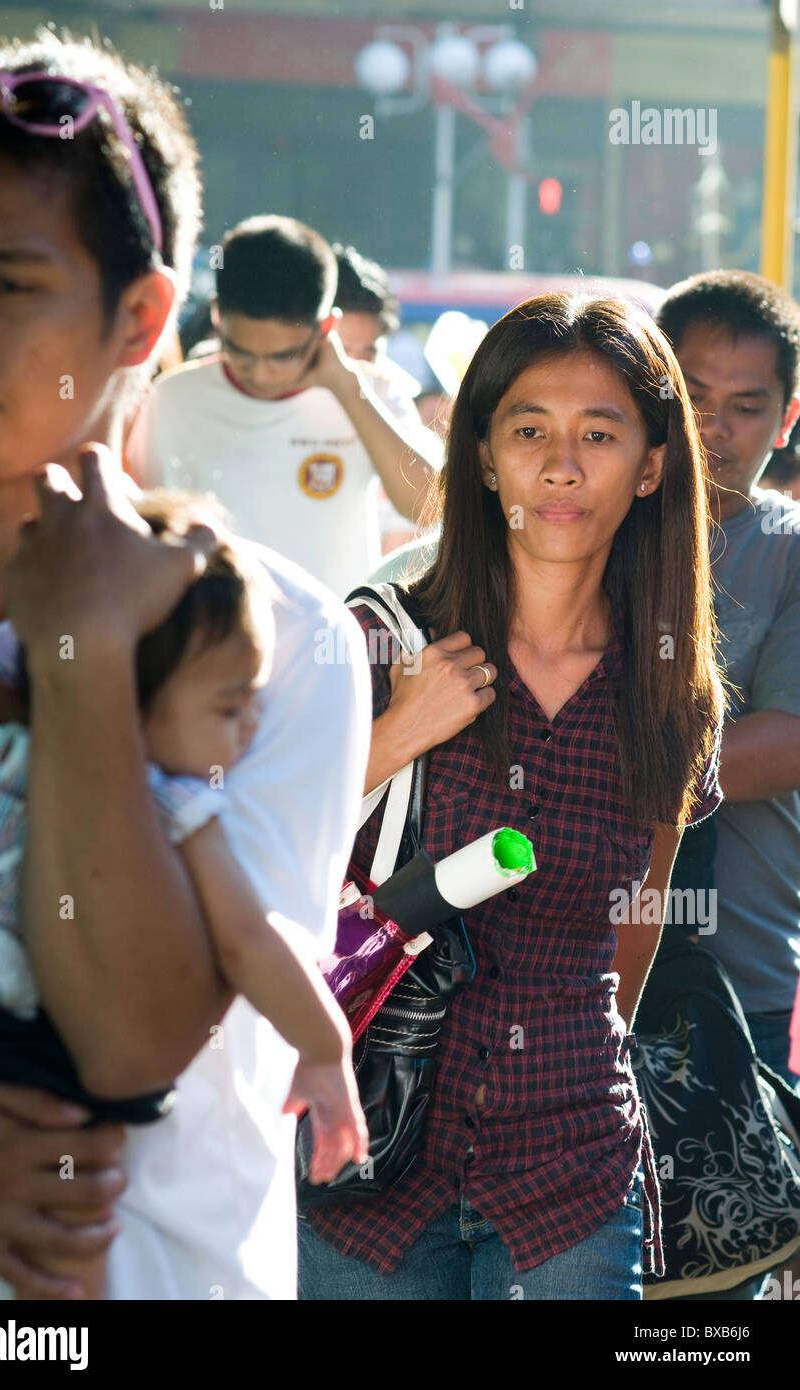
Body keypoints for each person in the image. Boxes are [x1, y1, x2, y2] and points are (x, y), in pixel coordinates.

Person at [0, 31, 369, 1300]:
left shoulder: (271, 646)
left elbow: (132, 1039)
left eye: (6, 285)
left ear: (138, 317)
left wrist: (77, 656)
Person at [298, 293, 725, 1301]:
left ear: (652, 464)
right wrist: (398, 730)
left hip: (568, 1173)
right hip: (365, 1157)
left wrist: (576, 1049)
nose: (559, 465)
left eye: (598, 434)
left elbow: (636, 921)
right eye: (527, 429)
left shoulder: (667, 685)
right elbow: (241, 839)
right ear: (483, 456)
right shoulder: (378, 641)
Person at [0, 488, 367, 1298]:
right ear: (135, 700)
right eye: (228, 707)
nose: (248, 731)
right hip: (34, 1053)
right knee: (73, 1191)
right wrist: (323, 1048)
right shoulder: (172, 804)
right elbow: (246, 941)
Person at [127, 215, 437, 596]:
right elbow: (141, 527)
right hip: (212, 645)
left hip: (336, 645)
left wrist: (345, 387)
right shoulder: (173, 398)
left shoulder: (373, 394)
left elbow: (429, 506)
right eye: (240, 352)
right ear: (217, 315)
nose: (260, 373)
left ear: (326, 328)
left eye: (282, 356)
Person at [657, 270, 800, 1089]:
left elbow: (785, 747)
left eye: (746, 406)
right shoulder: (587, 525)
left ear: (784, 419)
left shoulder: (787, 552)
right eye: (690, 394)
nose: (713, 427)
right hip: (564, 983)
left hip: (743, 984)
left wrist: (582, 768)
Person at [331, 242, 441, 557]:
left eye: (368, 353)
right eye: (340, 352)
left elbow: (405, 544)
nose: (352, 371)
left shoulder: (394, 407)